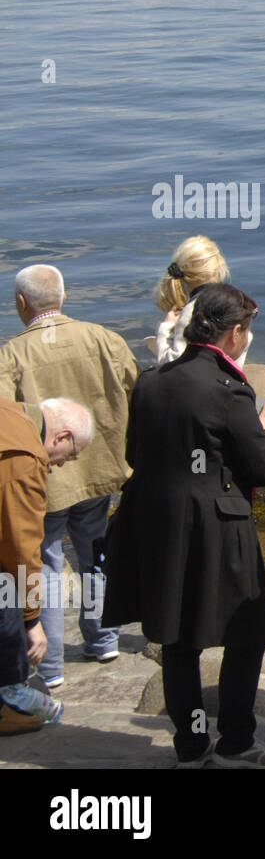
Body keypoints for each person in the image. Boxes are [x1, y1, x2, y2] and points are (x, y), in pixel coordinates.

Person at [102, 285, 265, 767]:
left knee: (178, 638)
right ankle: (236, 740)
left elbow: (133, 454)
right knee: (247, 633)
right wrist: (262, 428)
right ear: (235, 331)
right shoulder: (231, 389)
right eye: (248, 329)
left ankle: (190, 745)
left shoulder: (152, 381)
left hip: (160, 522)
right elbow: (264, 469)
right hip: (220, 525)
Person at [0, 264, 138, 688]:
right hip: (96, 472)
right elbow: (135, 387)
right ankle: (104, 639)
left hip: (42, 482)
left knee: (46, 566)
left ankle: (51, 664)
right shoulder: (103, 338)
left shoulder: (11, 354)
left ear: (21, 303)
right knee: (94, 554)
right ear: (64, 297)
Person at [0, 397, 91, 733]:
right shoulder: (25, 460)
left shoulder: (11, 411)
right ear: (61, 437)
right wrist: (31, 620)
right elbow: (20, 549)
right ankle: (9, 706)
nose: (63, 465)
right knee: (7, 595)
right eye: (71, 455)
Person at [152, 235, 247, 366]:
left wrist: (166, 329)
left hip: (194, 383)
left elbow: (173, 363)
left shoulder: (192, 310)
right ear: (219, 269)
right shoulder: (236, 302)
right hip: (228, 380)